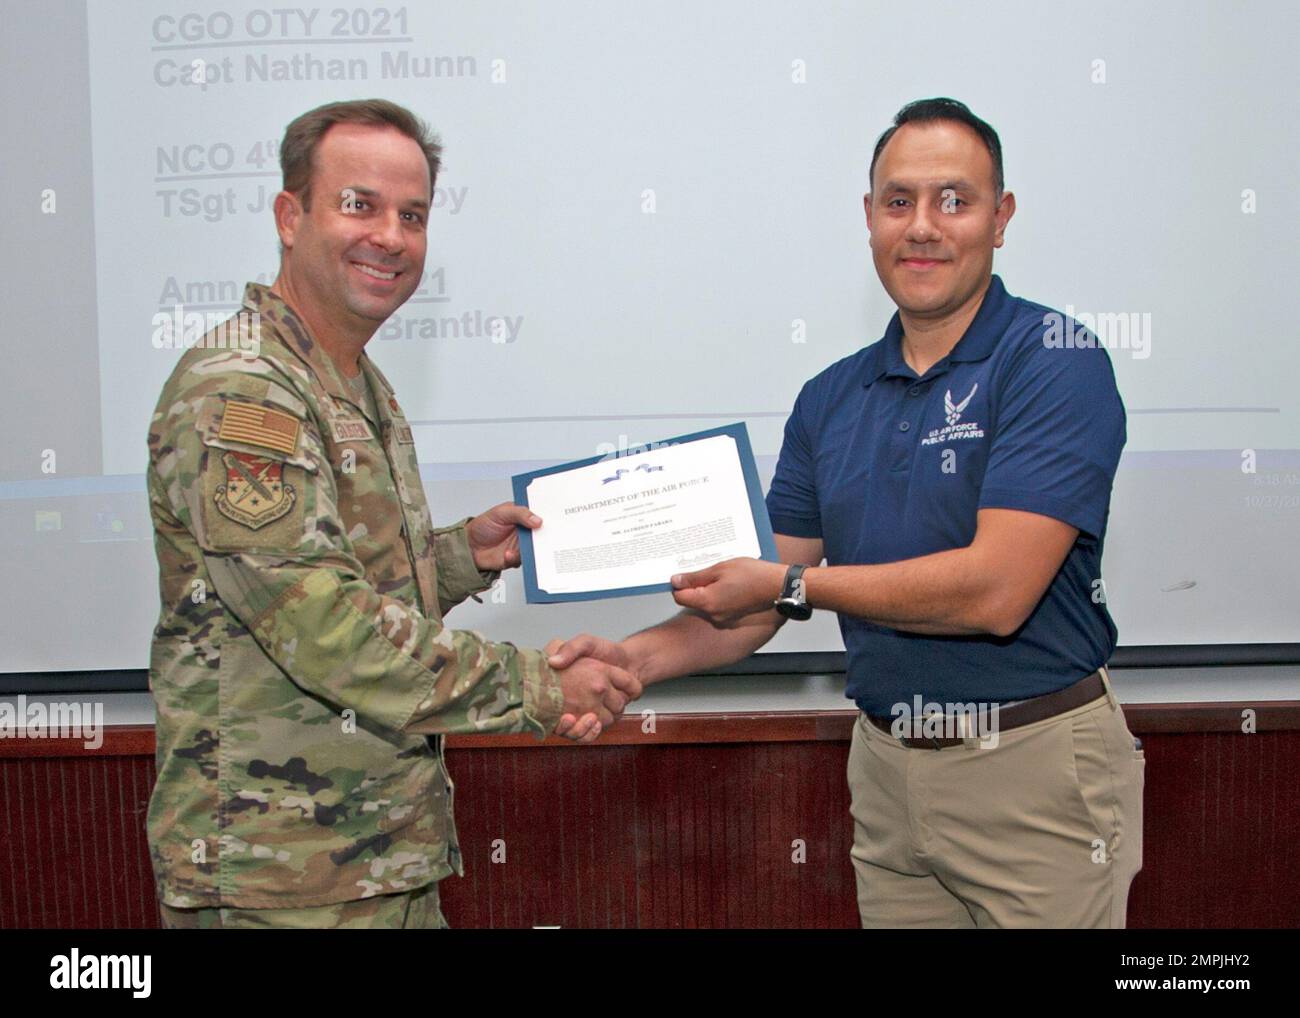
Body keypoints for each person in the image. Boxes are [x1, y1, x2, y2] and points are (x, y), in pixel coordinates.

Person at [551, 98, 1142, 928]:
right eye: (899, 202)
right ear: (868, 218)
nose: (923, 227)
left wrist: (795, 584)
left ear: (1001, 218)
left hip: (1032, 770)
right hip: (887, 773)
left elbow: (994, 592)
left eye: (955, 200)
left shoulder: (1053, 360)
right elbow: (749, 600)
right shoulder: (830, 397)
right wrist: (632, 662)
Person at [145, 98, 638, 929]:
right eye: (359, 205)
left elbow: (338, 576)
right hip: (281, 879)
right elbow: (328, 631)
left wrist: (457, 559)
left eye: (412, 215)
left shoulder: (353, 381)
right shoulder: (245, 391)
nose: (391, 237)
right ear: (289, 216)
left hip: (374, 857)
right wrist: (538, 686)